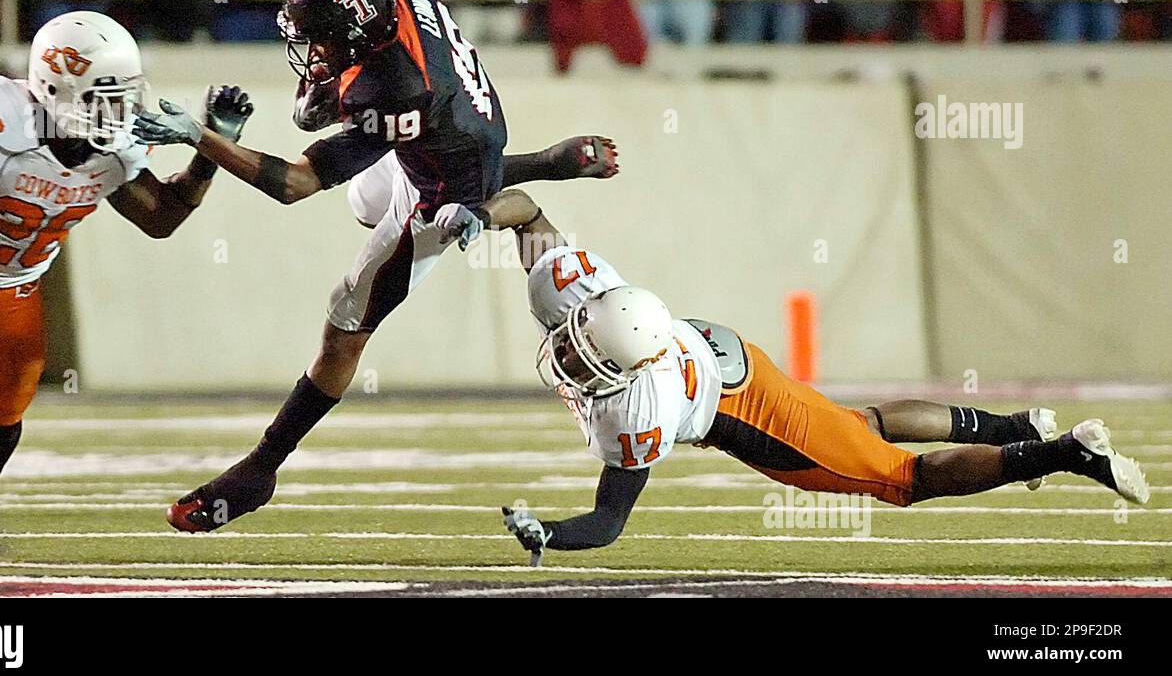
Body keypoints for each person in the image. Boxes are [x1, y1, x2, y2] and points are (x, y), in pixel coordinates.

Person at [131, 0, 620, 532]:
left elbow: (294, 183)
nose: (313, 54)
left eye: (323, 43)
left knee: (342, 333)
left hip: (437, 199)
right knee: (364, 197)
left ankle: (261, 469)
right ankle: (545, 161)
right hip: (441, 132)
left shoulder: (393, 89)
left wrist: (199, 135)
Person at [444, 189, 1150, 556]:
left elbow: (607, 521)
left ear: (625, 371)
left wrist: (552, 534)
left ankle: (1064, 452)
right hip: (717, 348)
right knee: (856, 426)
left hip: (744, 409)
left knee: (899, 480)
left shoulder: (638, 409)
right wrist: (482, 213)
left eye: (582, 361)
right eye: (571, 346)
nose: (564, 360)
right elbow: (527, 210)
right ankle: (1017, 427)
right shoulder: (578, 293)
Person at [0, 11, 253, 556]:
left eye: (124, 94)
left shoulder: (114, 151)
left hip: (18, 283)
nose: (119, 109)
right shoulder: (3, 129)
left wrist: (210, 150)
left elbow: (162, 219)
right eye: (105, 95)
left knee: (3, 421)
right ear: (58, 90)